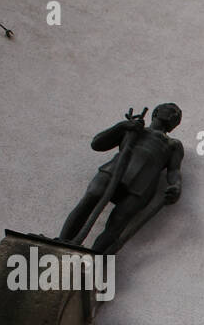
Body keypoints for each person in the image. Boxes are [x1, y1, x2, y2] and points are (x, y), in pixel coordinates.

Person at [59, 103, 184, 253]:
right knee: (90, 199)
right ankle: (62, 243)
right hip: (114, 170)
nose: (174, 115)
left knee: (119, 222)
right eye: (171, 110)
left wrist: (176, 184)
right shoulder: (134, 128)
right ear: (156, 112)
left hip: (143, 185)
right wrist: (123, 126)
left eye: (177, 116)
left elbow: (174, 170)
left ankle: (95, 256)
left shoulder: (173, 145)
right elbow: (97, 143)